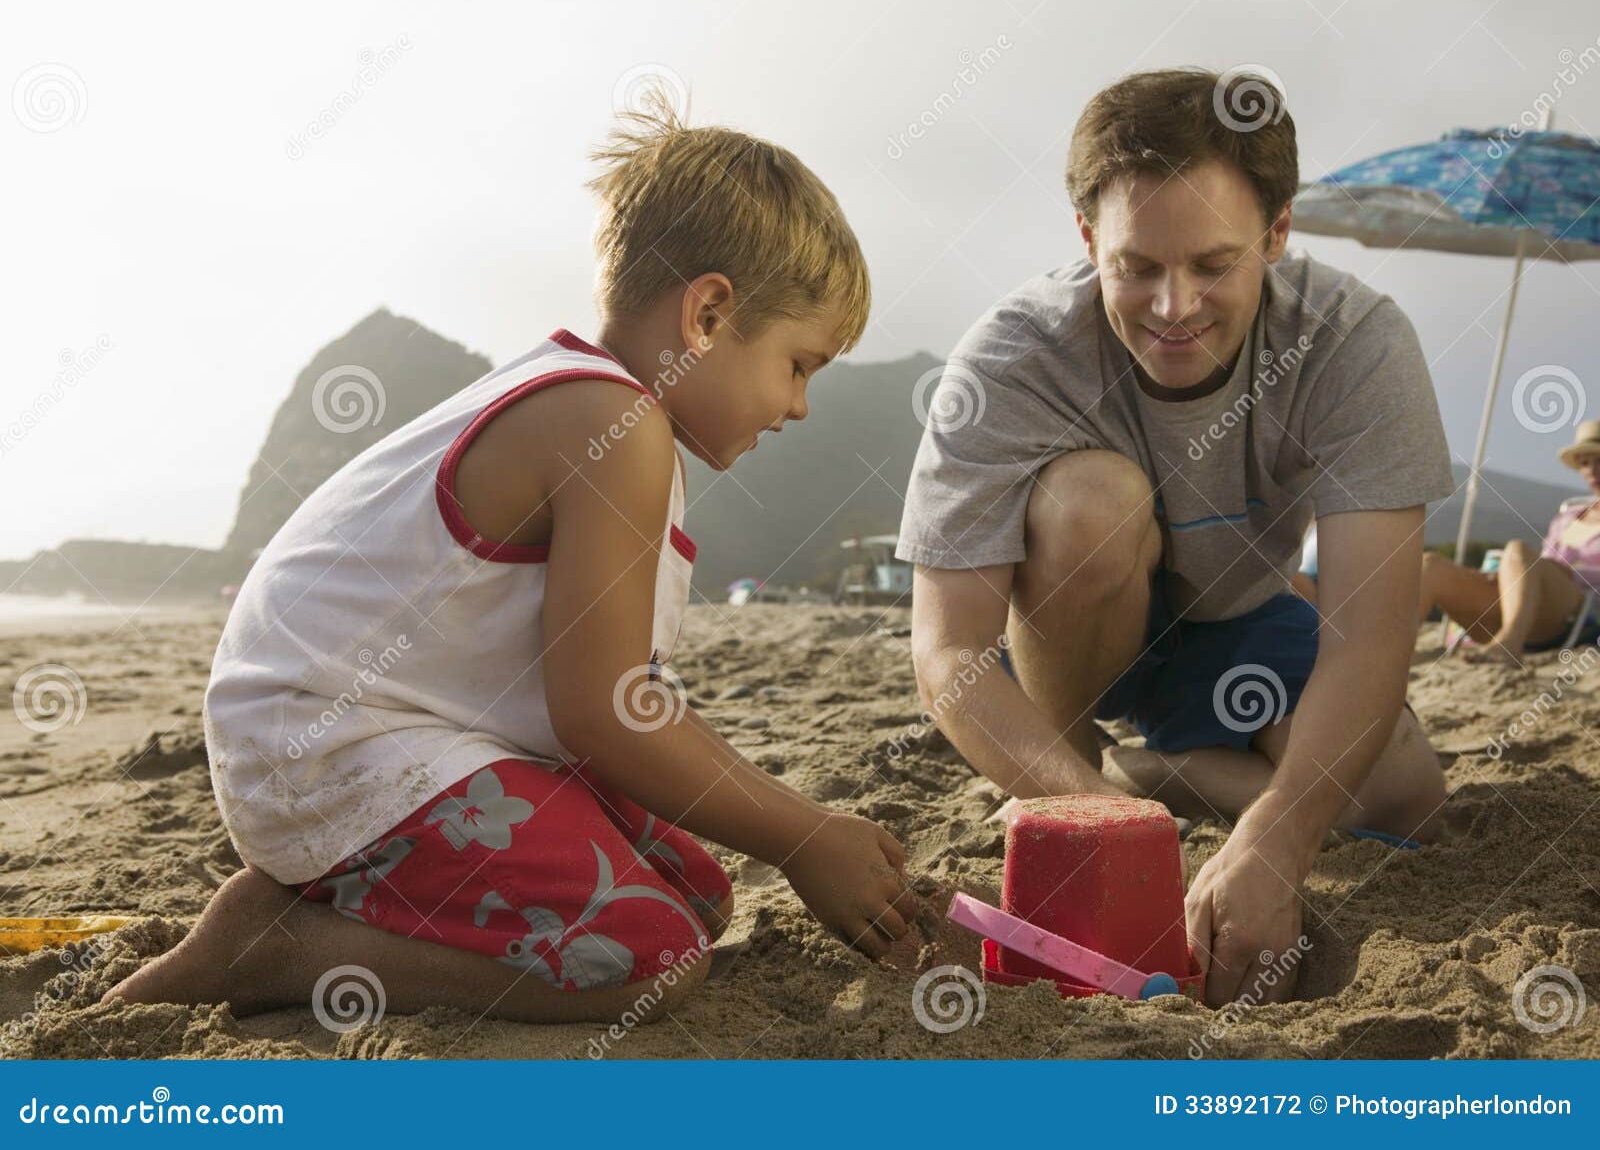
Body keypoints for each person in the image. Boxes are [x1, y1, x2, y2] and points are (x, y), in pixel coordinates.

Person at [104, 94, 918, 1024]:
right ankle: (280, 944)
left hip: (398, 734)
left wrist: (796, 829)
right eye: (799, 364)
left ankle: (338, 908)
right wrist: (803, 833)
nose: (800, 404)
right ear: (709, 314)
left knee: (695, 892)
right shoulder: (612, 425)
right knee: (647, 958)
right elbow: (602, 715)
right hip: (329, 751)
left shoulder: (604, 413)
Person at [898, 68, 1453, 1008]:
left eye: (1212, 265)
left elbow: (1373, 634)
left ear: (1277, 234)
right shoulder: (1013, 355)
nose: (1173, 307)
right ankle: (1079, 771)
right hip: (1083, 617)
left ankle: (1149, 772)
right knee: (1091, 503)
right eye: (1138, 266)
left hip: (1236, 621)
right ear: (1087, 239)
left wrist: (1276, 842)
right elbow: (948, 647)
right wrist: (1089, 818)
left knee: (1402, 795)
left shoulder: (1357, 342)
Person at [1419, 419, 1600, 665]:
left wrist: (1560, 571)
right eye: (1585, 462)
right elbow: (1541, 562)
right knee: (1431, 566)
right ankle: (1384, 651)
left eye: (1599, 459)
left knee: (1517, 549)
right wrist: (1511, 573)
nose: (1592, 470)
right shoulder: (1566, 518)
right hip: (1531, 603)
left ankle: (1509, 643)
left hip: (1575, 610)